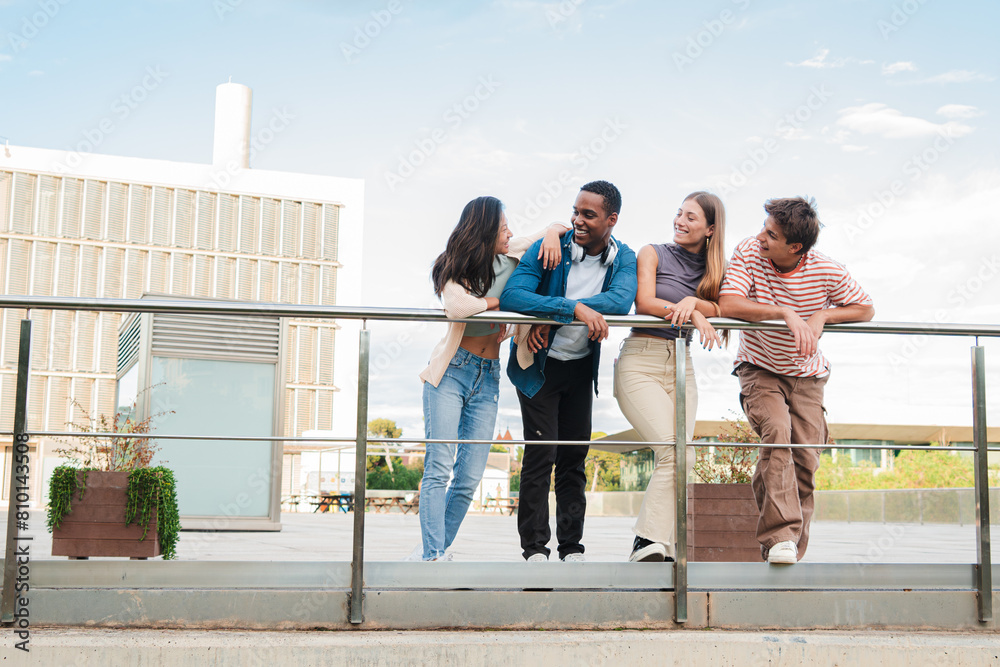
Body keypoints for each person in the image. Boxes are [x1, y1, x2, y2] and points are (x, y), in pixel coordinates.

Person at [719, 197, 874, 564]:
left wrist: (822, 315)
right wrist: (785, 312)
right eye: (763, 227)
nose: (760, 237)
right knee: (776, 431)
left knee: (804, 460)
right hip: (759, 366)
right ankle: (779, 539)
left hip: (807, 375)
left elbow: (865, 308)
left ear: (795, 248)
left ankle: (788, 553)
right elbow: (729, 304)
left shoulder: (825, 269)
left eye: (770, 234)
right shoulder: (749, 251)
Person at [414, 196, 566, 561]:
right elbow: (458, 307)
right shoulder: (454, 267)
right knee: (438, 467)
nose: (509, 232)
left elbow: (557, 228)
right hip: (451, 372)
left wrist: (548, 235)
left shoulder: (512, 254)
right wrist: (503, 304)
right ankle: (433, 557)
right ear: (484, 232)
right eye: (502, 227)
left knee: (468, 477)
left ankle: (434, 554)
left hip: (488, 375)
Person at [500, 180, 637, 563]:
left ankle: (571, 549)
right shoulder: (551, 247)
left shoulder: (623, 258)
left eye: (588, 215)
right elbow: (513, 295)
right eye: (575, 211)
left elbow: (621, 301)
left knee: (574, 460)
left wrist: (553, 315)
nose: (577, 220)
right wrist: (571, 311)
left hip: (579, 371)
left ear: (611, 220)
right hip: (538, 367)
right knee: (541, 456)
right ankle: (534, 550)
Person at [613, 191, 726, 563]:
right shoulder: (652, 252)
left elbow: (724, 307)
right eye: (679, 213)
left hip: (682, 364)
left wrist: (695, 303)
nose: (680, 221)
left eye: (691, 217)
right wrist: (691, 314)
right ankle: (646, 542)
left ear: (710, 229)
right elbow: (644, 302)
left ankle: (663, 548)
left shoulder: (714, 271)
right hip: (641, 360)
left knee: (685, 457)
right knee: (672, 450)